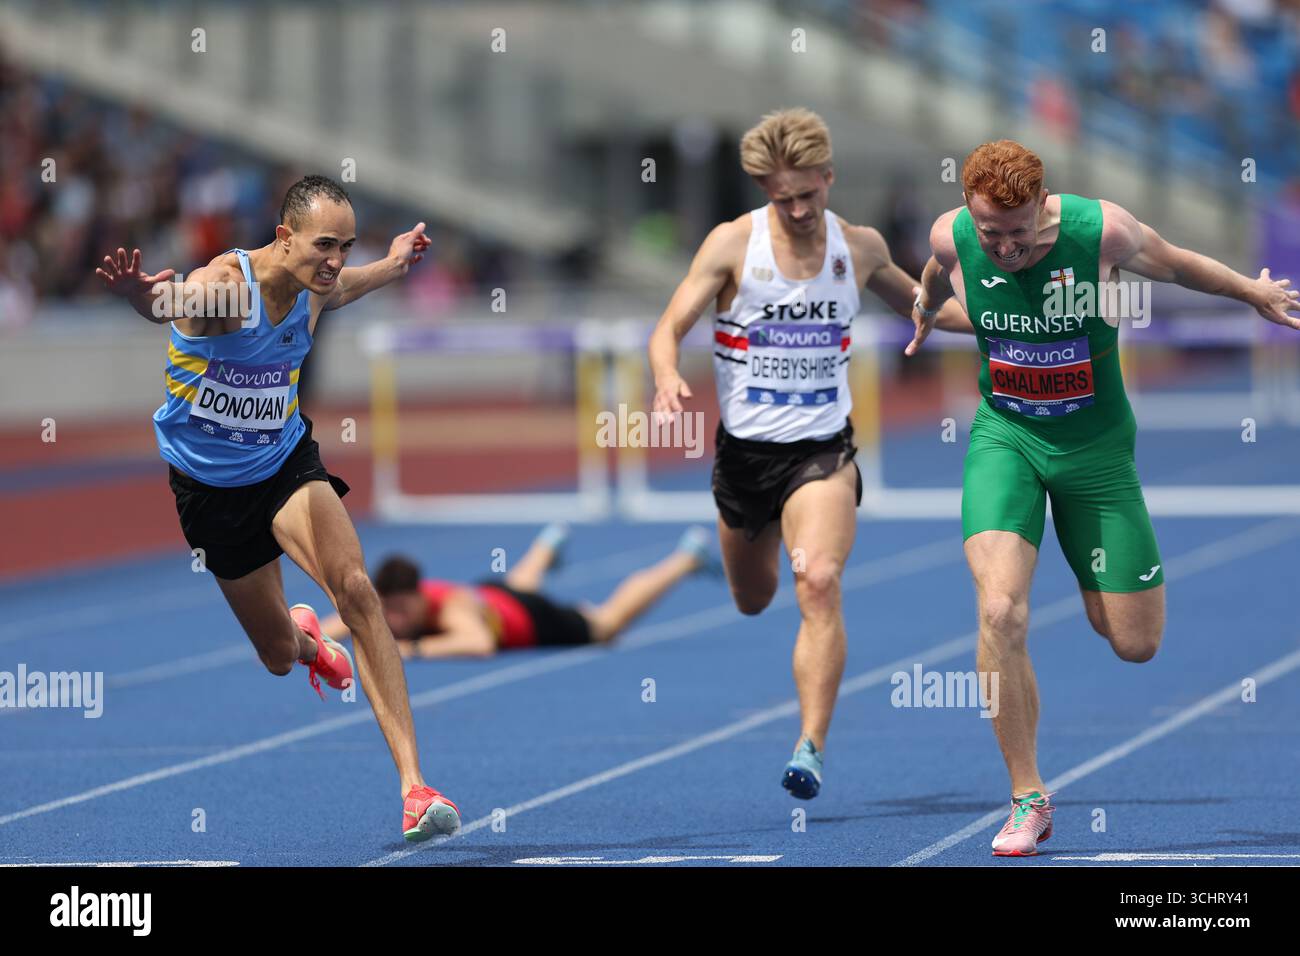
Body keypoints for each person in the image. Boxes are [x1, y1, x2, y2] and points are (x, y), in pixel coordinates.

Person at [909, 139, 1300, 856]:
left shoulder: (1103, 233)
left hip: (1096, 454)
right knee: (999, 609)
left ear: (1042, 208)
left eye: (1017, 234)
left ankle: (1093, 570)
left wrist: (1254, 292)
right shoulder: (954, 233)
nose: (1003, 249)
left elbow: (1179, 266)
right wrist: (925, 306)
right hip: (1007, 440)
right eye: (989, 233)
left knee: (1134, 641)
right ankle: (1028, 795)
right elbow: (939, 269)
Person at [95, 174, 461, 844]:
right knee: (273, 654)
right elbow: (174, 299)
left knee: (356, 589)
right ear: (283, 236)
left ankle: (415, 786)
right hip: (208, 491)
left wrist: (397, 260)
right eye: (325, 244)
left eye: (345, 245)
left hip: (284, 465)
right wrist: (139, 296)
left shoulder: (319, 288)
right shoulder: (226, 289)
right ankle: (304, 640)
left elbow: (349, 286)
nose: (336, 260)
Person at [648, 108, 971, 800]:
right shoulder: (733, 246)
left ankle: (811, 744)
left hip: (822, 451)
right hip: (744, 459)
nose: (796, 209)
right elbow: (669, 326)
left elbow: (926, 308)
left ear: (829, 178)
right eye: (780, 196)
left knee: (818, 580)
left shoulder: (858, 248)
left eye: (808, 194)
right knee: (753, 599)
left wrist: (1014, 322)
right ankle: (722, 552)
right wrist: (667, 374)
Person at [320, 525, 716, 657]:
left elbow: (478, 644)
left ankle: (685, 559)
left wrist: (414, 649)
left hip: (529, 617)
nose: (395, 621)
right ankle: (546, 547)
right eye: (390, 612)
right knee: (515, 585)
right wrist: (313, 634)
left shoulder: (453, 609)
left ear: (421, 596)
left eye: (402, 611)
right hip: (497, 596)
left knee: (606, 625)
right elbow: (350, 616)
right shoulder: (400, 599)